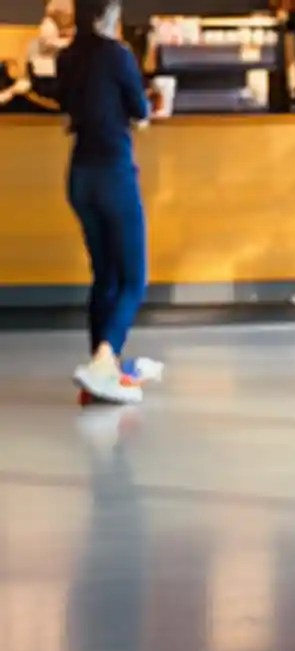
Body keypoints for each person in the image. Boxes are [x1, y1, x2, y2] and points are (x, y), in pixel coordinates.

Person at [57, 0, 161, 404]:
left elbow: (68, 106)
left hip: (79, 177)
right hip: (113, 173)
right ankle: (104, 362)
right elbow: (139, 109)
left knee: (105, 276)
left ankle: (100, 376)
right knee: (134, 278)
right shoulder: (117, 55)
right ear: (106, 16)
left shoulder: (68, 57)